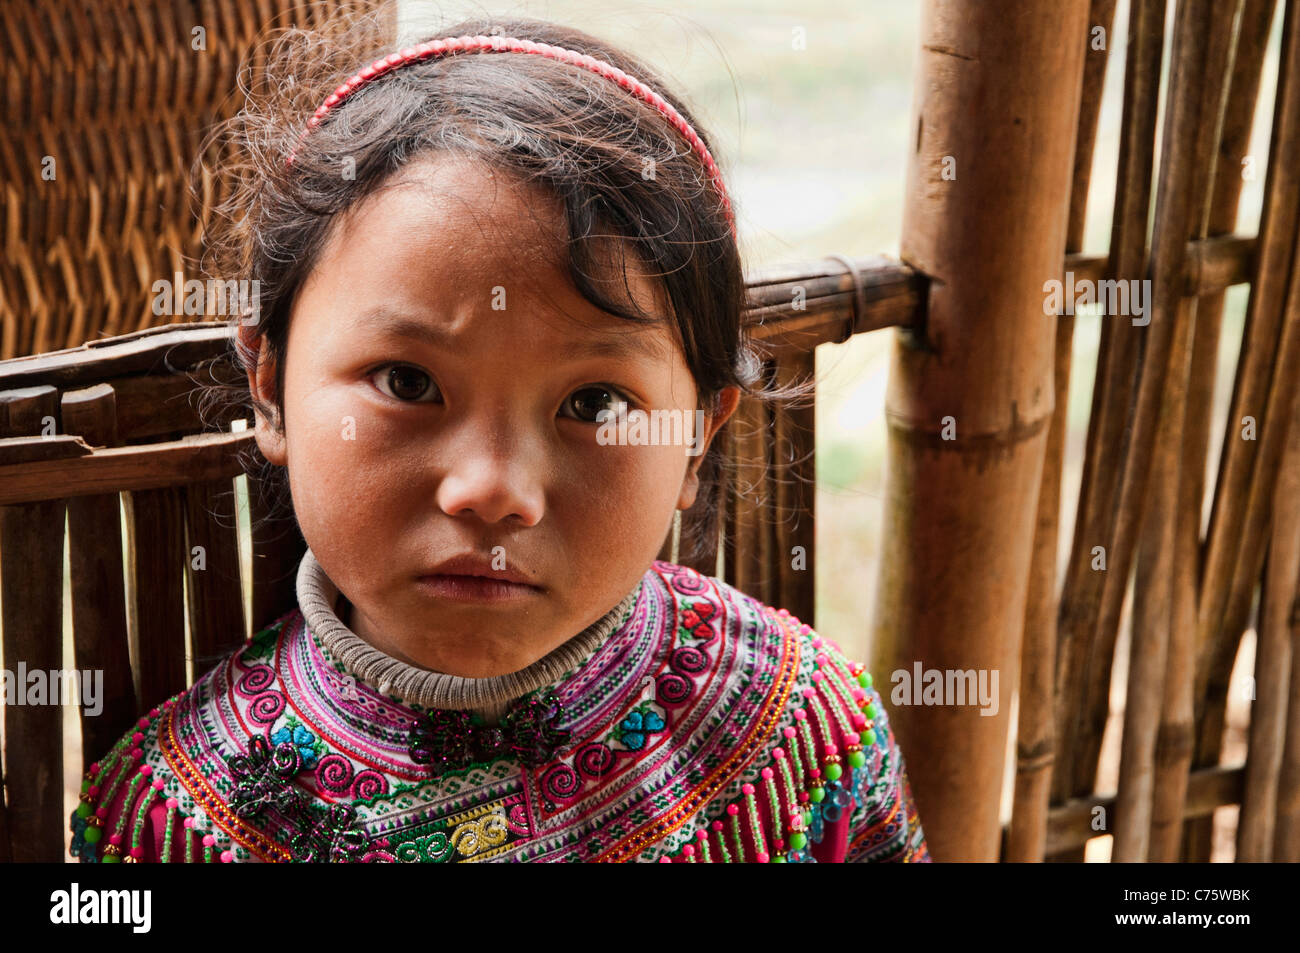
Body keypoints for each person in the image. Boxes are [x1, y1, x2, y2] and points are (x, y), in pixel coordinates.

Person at [69, 8, 929, 863]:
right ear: (270, 390)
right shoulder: (166, 826)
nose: (493, 488)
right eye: (409, 382)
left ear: (696, 439)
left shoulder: (811, 738)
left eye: (594, 404)